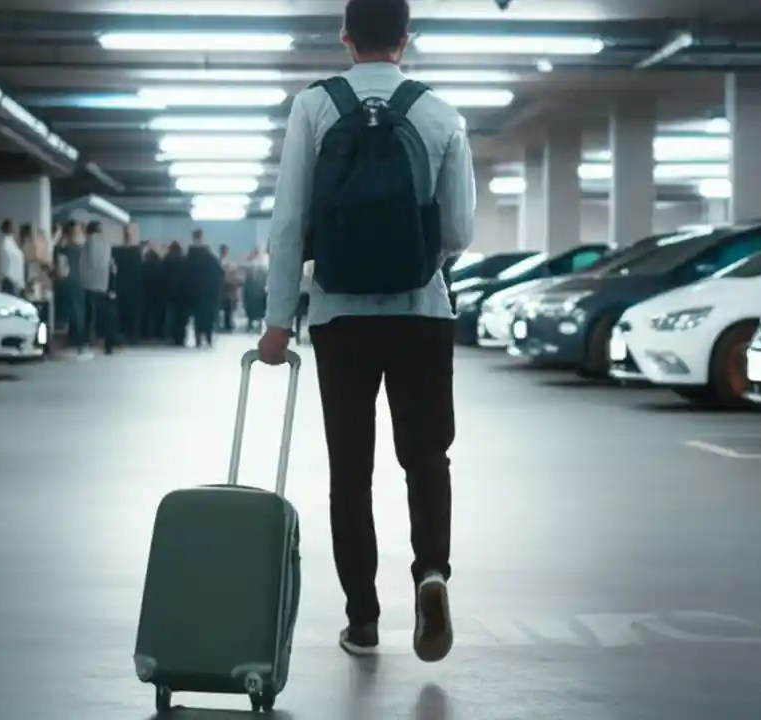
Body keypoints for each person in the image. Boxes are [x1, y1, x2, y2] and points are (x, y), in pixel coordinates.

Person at [257, 0, 475, 663]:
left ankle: (363, 619)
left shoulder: (315, 107)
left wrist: (275, 323)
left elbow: (290, 221)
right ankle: (430, 575)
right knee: (426, 458)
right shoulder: (440, 112)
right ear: (407, 39)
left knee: (351, 471)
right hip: (421, 313)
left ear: (345, 37)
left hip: (338, 316)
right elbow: (460, 231)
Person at [80, 220, 117, 356]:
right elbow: (112, 266)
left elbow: (83, 264)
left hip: (89, 285)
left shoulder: (87, 243)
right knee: (106, 316)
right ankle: (108, 345)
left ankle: (86, 342)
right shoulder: (106, 244)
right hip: (104, 285)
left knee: (88, 316)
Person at [185, 229, 223, 348]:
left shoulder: (189, 256)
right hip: (208, 292)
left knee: (197, 316)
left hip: (194, 291)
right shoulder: (209, 257)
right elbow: (219, 273)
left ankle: (198, 338)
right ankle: (208, 337)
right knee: (208, 316)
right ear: (201, 237)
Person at [53, 220, 86, 356]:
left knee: (70, 312)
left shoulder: (64, 248)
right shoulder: (78, 248)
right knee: (77, 312)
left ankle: (72, 340)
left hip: (68, 281)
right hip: (77, 281)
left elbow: (61, 266)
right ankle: (78, 341)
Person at [113, 225, 145, 345]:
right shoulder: (137, 252)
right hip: (135, 287)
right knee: (133, 312)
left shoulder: (116, 251)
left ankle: (122, 335)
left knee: (122, 312)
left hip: (121, 286)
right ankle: (132, 336)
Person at [161, 240, 189, 346]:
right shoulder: (184, 260)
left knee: (171, 314)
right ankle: (180, 337)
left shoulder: (166, 259)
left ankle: (170, 336)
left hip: (169, 292)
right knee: (181, 318)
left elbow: (161, 275)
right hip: (183, 293)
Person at [141, 240, 165, 340]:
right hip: (158, 292)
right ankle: (158, 333)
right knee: (158, 314)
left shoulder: (144, 263)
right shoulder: (160, 264)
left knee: (146, 314)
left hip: (146, 292)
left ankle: (145, 333)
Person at [242, 247, 269, 333]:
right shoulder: (250, 264)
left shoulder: (262, 265)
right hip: (251, 290)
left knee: (259, 308)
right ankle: (250, 324)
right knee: (250, 308)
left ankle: (258, 324)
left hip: (258, 290)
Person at [218, 244, 241, 333]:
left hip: (227, 288)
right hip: (225, 288)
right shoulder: (222, 261)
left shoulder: (225, 262)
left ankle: (227, 323)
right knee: (226, 307)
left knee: (228, 308)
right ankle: (226, 324)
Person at [0, 219, 25, 296]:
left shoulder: (11, 242)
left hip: (14, 281)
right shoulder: (6, 243)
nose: (14, 228)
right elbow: (8, 262)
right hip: (10, 281)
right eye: (12, 226)